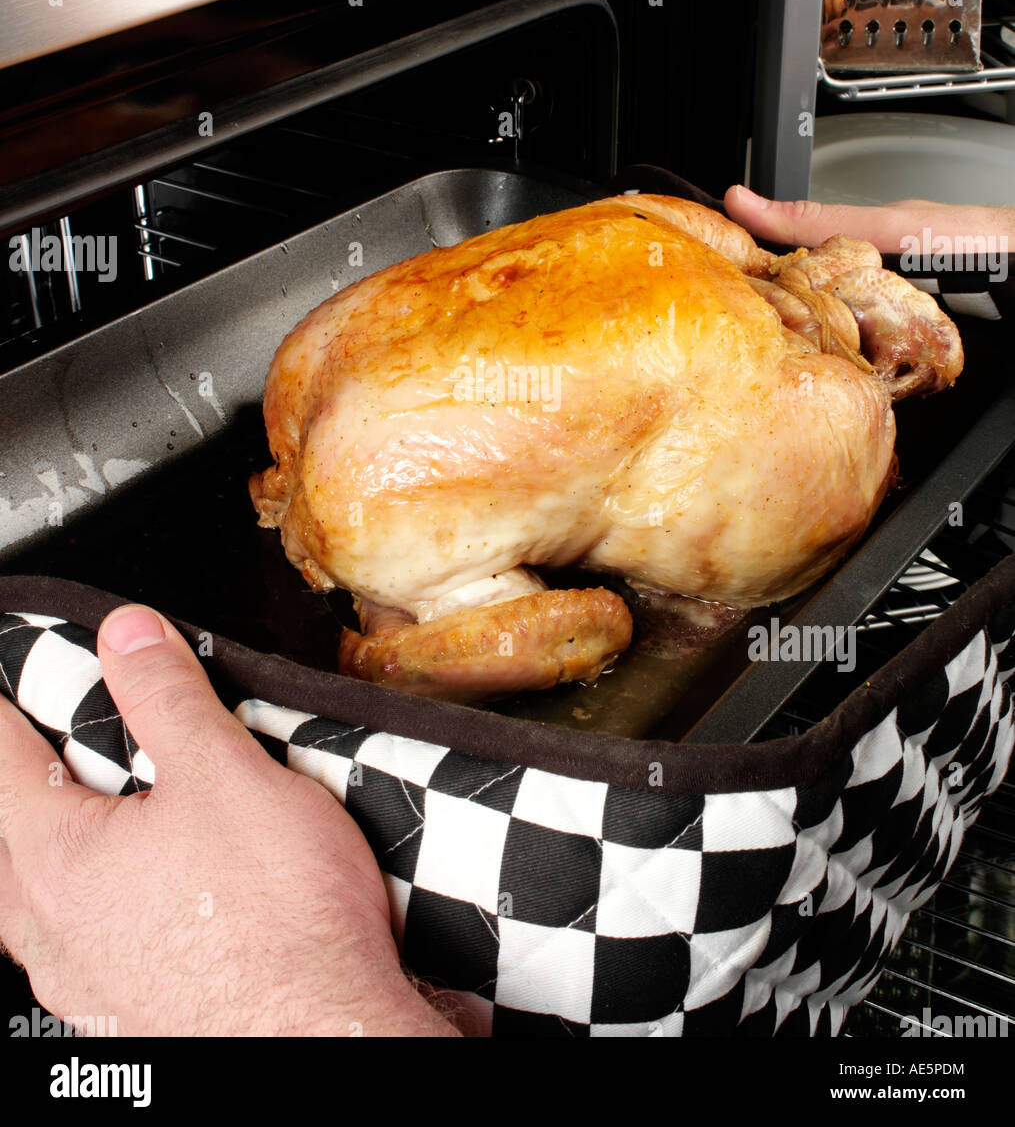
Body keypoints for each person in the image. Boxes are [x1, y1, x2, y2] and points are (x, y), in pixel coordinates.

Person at [1, 188, 1011, 1038]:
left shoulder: (302, 385)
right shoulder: (339, 449)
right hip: (679, 261)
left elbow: (575, 633)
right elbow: (563, 626)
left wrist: (273, 1004)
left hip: (683, 322)